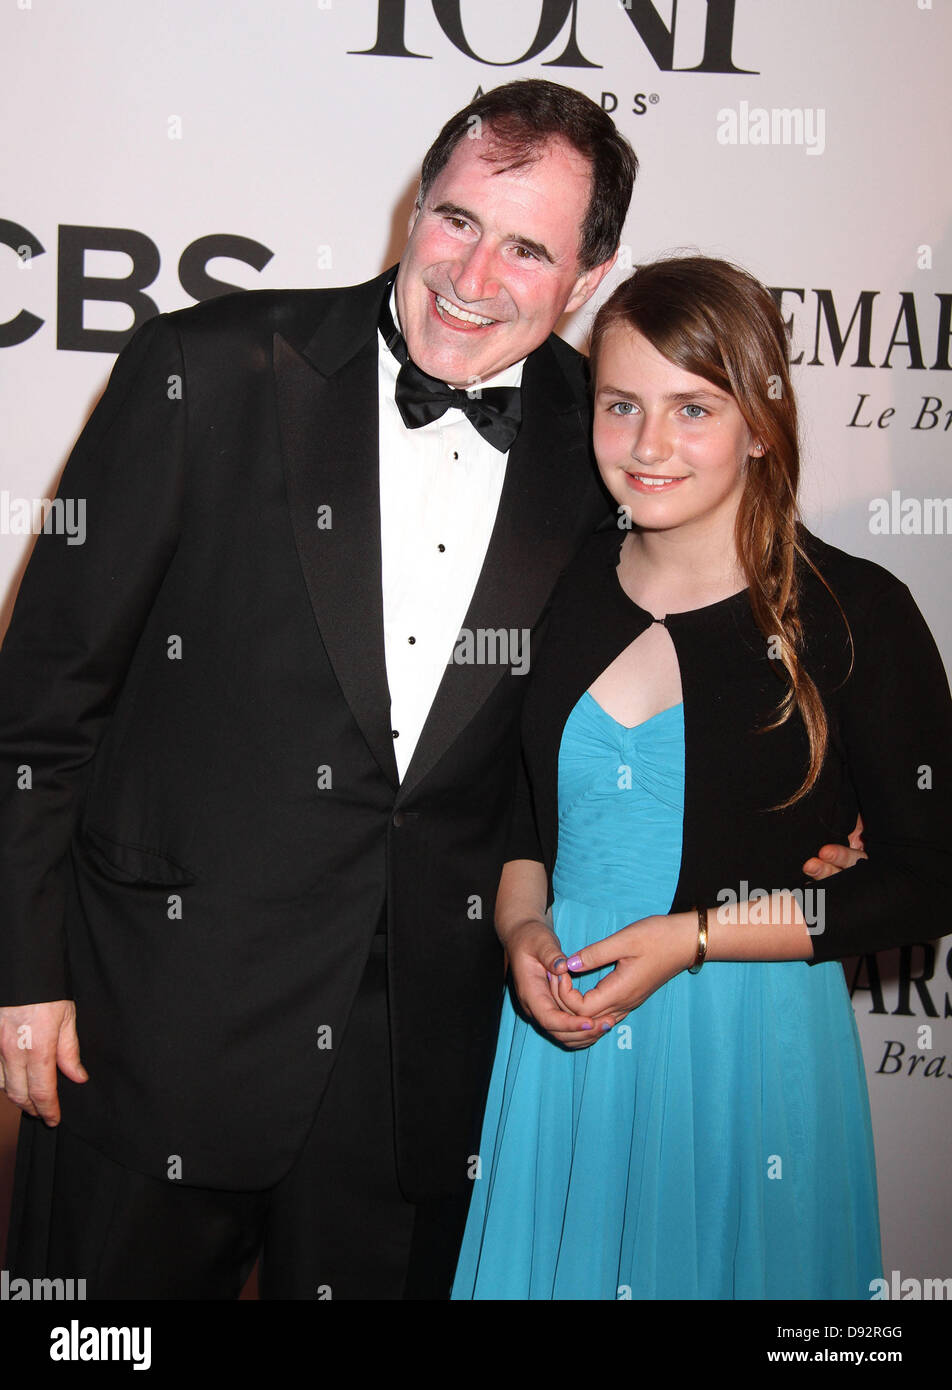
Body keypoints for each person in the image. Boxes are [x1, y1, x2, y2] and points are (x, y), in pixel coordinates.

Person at [0, 82, 856, 1300]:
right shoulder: (208, 367)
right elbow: (40, 705)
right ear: (417, 203)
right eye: (456, 219)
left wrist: (804, 818)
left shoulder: (607, 439)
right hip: (152, 1028)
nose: (471, 274)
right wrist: (22, 971)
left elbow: (688, 653)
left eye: (527, 249)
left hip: (420, 1081)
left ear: (588, 275)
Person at [451, 256, 952, 1300]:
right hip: (563, 1030)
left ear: (760, 424)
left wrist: (698, 937)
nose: (648, 446)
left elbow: (929, 878)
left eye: (693, 409)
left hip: (746, 1045)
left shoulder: (853, 611)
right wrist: (520, 929)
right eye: (620, 404)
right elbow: (519, 817)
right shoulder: (552, 586)